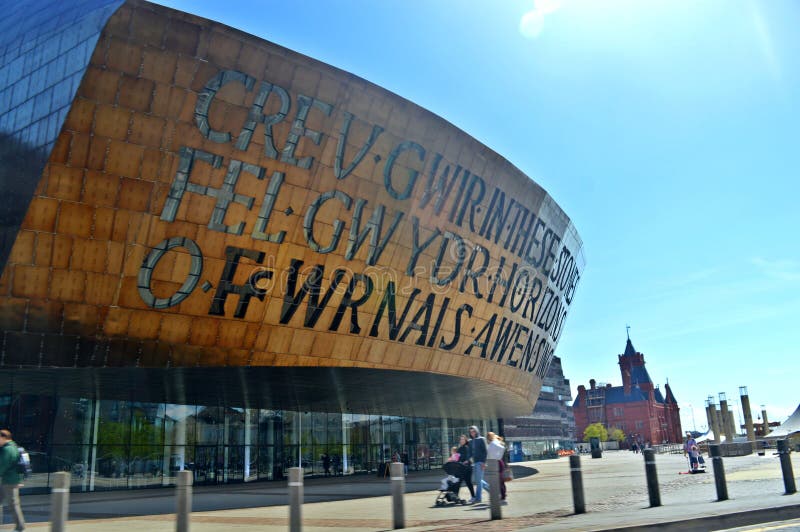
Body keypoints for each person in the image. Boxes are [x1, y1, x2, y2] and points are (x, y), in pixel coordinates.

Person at [0, 429, 26, 531]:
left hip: (9, 481)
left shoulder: (8, 450)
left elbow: (2, 465)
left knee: (13, 505)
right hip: (9, 480)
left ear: (3, 437)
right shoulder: (15, 447)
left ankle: (20, 526)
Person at [468, 425, 488, 504]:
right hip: (475, 463)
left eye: (473, 431)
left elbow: (485, 452)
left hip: (480, 462)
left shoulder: (481, 439)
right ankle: (493, 491)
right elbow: (469, 453)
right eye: (471, 432)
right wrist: (467, 460)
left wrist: (484, 463)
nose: (472, 433)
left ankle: (478, 498)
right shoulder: (470, 441)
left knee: (478, 481)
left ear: (476, 431)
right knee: (478, 481)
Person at [487, 432, 507, 501]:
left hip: (497, 462)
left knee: (499, 480)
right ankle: (503, 494)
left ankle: (503, 495)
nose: (487, 438)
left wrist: (498, 457)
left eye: (488, 436)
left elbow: (502, 448)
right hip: (495, 462)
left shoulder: (493, 443)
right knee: (499, 480)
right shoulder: (492, 443)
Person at [456, 434, 475, 500]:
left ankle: (473, 496)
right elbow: (457, 457)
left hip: (467, 468)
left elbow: (468, 458)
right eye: (460, 439)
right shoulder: (459, 448)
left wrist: (464, 462)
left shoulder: (467, 447)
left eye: (463, 439)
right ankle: (456, 496)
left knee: (468, 482)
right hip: (461, 468)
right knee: (458, 482)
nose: (461, 441)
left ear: (465, 440)